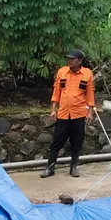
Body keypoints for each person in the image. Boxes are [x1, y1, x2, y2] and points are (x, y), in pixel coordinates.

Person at [45, 50, 95, 178]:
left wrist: (90, 112)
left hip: (78, 113)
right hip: (63, 113)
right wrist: (53, 109)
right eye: (69, 59)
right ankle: (50, 168)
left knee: (77, 142)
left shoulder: (87, 74)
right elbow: (56, 92)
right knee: (56, 141)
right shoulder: (62, 72)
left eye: (73, 59)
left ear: (80, 61)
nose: (70, 61)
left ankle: (73, 168)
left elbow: (90, 94)